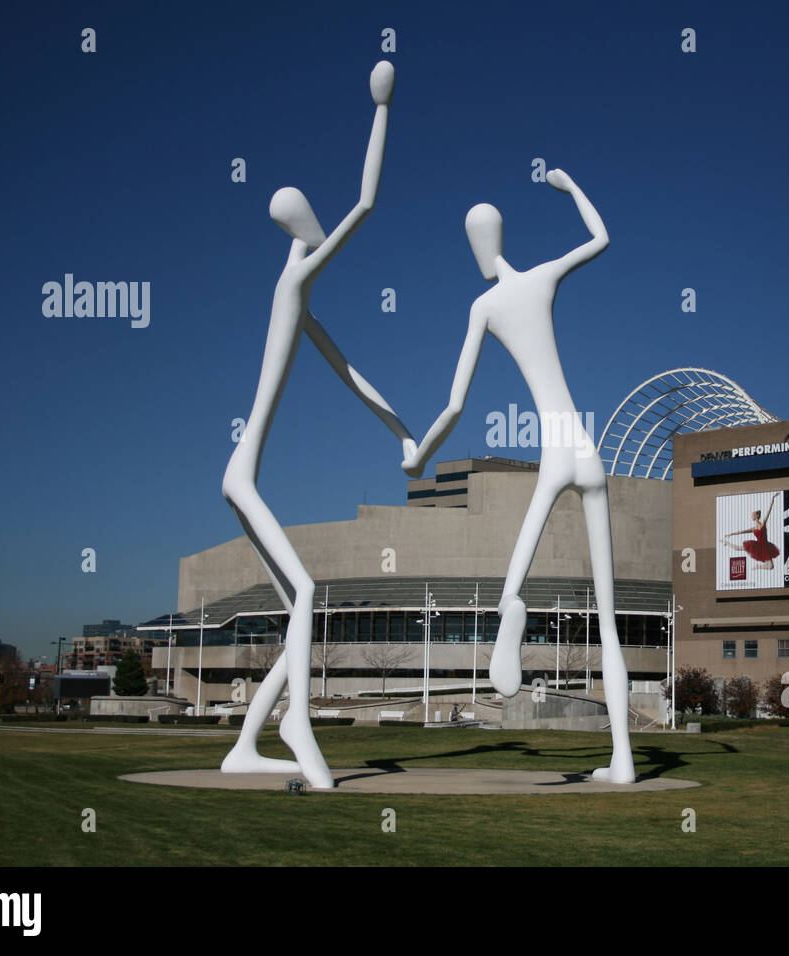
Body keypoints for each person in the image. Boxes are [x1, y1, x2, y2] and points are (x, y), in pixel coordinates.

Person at [401, 168, 635, 783]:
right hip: (591, 453)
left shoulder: (484, 306)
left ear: (481, 244)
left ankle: (512, 610)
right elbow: (602, 238)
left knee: (510, 586)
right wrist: (571, 184)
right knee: (609, 620)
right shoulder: (541, 279)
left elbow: (455, 405)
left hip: (555, 456)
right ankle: (625, 762)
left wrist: (419, 456)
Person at [220, 62, 412, 789]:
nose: (316, 229)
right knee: (305, 595)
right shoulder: (294, 280)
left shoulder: (296, 298)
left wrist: (398, 429)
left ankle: (245, 742)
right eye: (308, 220)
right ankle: (295, 719)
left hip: (239, 477)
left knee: (296, 608)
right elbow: (365, 203)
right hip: (242, 477)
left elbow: (347, 369)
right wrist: (382, 109)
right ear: (300, 225)